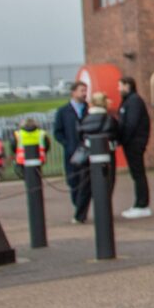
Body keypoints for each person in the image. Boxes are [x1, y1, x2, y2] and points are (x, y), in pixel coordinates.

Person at [74, 92, 121, 225]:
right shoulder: (110, 120)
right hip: (106, 155)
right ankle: (104, 212)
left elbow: (79, 135)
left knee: (85, 185)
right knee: (107, 183)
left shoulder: (84, 119)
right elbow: (117, 135)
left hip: (88, 154)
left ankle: (79, 215)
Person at [118, 76, 153, 219]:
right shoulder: (129, 101)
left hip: (134, 143)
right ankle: (139, 203)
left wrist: (123, 139)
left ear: (127, 86)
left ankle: (142, 205)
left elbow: (131, 124)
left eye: (120, 86)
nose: (118, 89)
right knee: (136, 174)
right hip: (132, 142)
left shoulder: (134, 101)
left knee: (138, 174)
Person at [53, 81, 88, 214]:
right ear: (73, 92)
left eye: (85, 91)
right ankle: (77, 205)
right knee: (73, 180)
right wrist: (67, 144)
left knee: (86, 180)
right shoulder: (63, 111)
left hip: (86, 151)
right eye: (81, 90)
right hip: (71, 152)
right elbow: (58, 132)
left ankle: (81, 209)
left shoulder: (88, 109)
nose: (84, 94)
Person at [14, 118, 49, 205]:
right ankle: (37, 193)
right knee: (37, 176)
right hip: (38, 159)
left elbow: (13, 146)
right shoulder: (41, 133)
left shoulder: (18, 134)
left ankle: (32, 193)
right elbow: (47, 145)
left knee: (27, 177)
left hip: (22, 160)